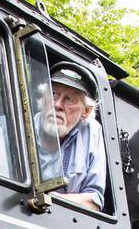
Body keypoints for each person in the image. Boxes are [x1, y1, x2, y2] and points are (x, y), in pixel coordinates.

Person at [45, 62, 106, 212]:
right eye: (53, 94)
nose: (57, 104)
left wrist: (48, 199)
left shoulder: (92, 131)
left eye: (69, 99)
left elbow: (93, 200)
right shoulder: (22, 122)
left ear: (85, 111)